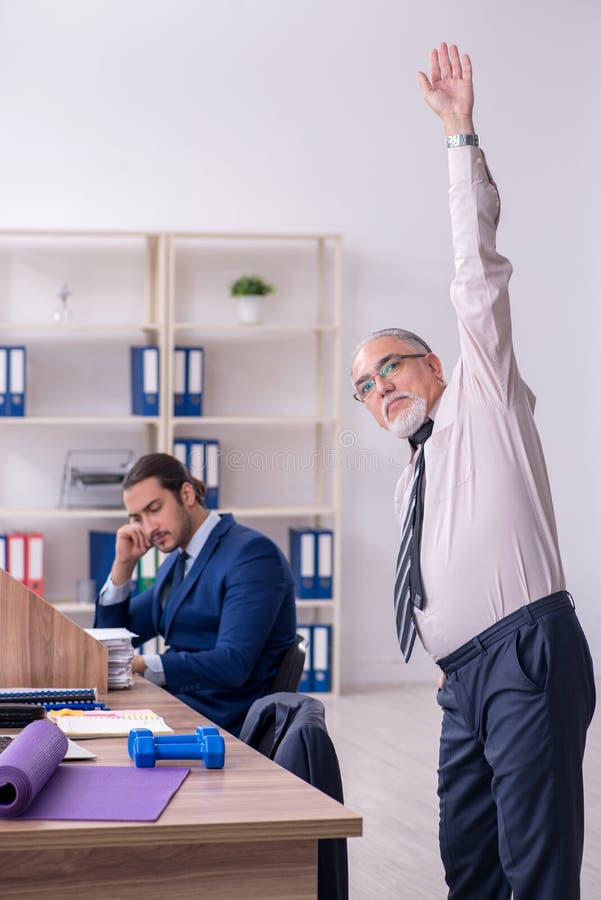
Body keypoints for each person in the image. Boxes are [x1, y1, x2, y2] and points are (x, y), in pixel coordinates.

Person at [351, 43, 595, 899]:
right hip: (461, 681)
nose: (377, 389)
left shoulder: (482, 401)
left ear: (437, 367)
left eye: (389, 368)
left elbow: (476, 277)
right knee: (470, 865)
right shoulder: (409, 477)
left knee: (534, 868)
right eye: (363, 388)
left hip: (525, 653)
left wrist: (459, 136)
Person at [94, 452, 297, 736]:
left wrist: (142, 664)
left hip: (221, 723)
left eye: (154, 509)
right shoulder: (178, 562)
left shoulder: (252, 555)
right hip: (179, 707)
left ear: (186, 494)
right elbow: (112, 641)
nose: (148, 528)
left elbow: (233, 663)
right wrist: (123, 566)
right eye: (137, 518)